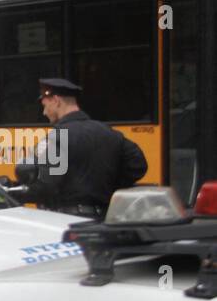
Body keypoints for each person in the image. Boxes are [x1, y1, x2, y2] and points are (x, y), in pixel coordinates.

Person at [14, 77, 148, 218]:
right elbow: (138, 166)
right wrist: (106, 185)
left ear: (56, 101)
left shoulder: (57, 137)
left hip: (66, 221)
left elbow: (45, 186)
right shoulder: (109, 133)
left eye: (45, 106)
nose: (44, 112)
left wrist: (17, 193)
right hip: (104, 219)